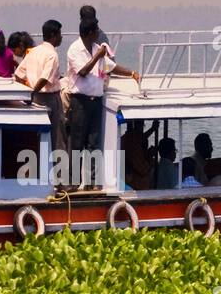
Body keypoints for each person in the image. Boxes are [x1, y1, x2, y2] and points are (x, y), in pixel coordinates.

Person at [65, 17, 140, 189]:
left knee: (93, 142)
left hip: (95, 101)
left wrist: (132, 73)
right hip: (80, 101)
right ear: (89, 32)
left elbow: (110, 67)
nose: (99, 32)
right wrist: (97, 56)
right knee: (77, 143)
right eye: (96, 29)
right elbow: (83, 71)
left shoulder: (96, 48)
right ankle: (73, 182)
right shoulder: (75, 50)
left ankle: (92, 182)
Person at [15, 20, 67, 184]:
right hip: (49, 98)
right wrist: (33, 92)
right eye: (59, 34)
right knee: (58, 140)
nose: (61, 37)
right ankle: (60, 182)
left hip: (35, 99)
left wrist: (28, 93)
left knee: (38, 139)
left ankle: (40, 177)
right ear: (53, 35)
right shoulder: (52, 54)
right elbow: (45, 78)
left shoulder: (33, 52)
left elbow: (18, 74)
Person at [121, 120, 158, 191]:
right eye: (142, 126)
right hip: (136, 186)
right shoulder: (132, 143)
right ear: (138, 126)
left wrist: (152, 129)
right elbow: (143, 169)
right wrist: (150, 155)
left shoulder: (125, 139)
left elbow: (142, 137)